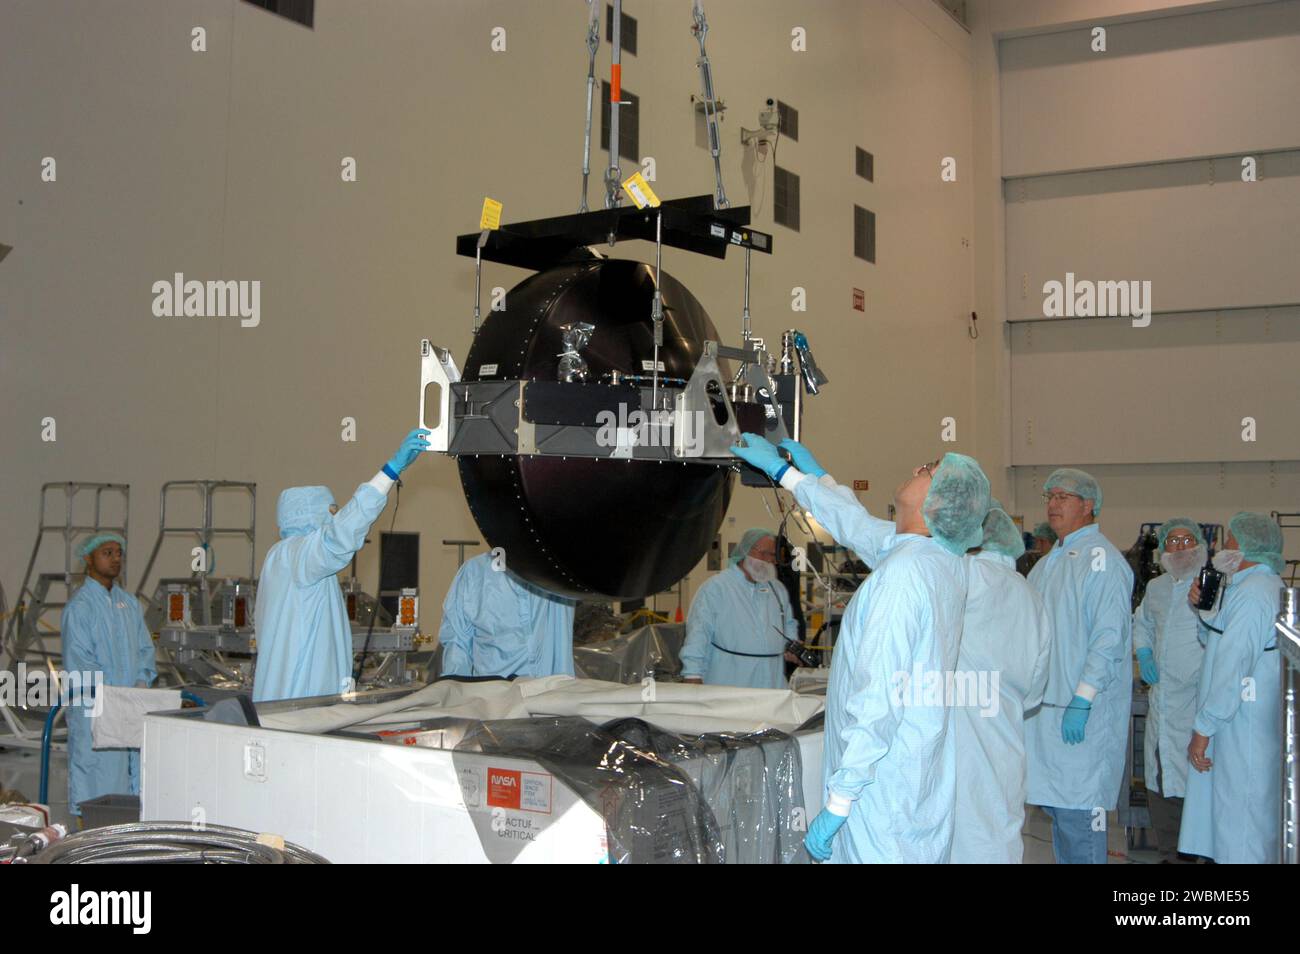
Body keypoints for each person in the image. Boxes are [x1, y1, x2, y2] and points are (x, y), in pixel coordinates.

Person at [731, 434, 990, 863]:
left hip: (879, 796)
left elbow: (878, 699)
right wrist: (807, 477)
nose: (916, 470)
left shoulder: (904, 575)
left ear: (939, 504)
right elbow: (857, 526)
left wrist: (840, 800)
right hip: (909, 781)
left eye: (928, 470)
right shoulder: (933, 558)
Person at [253, 428, 430, 702]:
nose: (335, 520)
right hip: (298, 712)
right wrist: (390, 472)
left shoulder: (284, 561)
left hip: (293, 707)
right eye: (332, 513)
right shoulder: (297, 556)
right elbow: (339, 537)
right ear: (313, 516)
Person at [1024, 468, 1133, 864]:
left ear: (1088, 506)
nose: (1053, 504)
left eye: (1063, 497)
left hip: (1082, 718)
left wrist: (1083, 698)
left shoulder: (1101, 561)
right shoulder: (1051, 561)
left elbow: (1109, 639)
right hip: (1048, 715)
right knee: (1061, 816)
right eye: (1049, 496)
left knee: (1082, 820)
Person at [1178, 512, 1284, 863]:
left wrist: (1204, 727)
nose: (1223, 549)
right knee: (1231, 820)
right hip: (1233, 723)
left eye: (1230, 541)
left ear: (1246, 547)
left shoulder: (1255, 594)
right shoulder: (1244, 589)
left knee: (1242, 828)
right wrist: (1203, 608)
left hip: (1241, 725)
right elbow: (1217, 644)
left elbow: (1232, 666)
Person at [952, 505, 1052, 863]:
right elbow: (1036, 688)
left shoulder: (956, 577)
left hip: (951, 733)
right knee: (998, 832)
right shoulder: (1030, 596)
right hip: (1005, 736)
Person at [60, 533, 157, 818]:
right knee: (98, 775)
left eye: (119, 553)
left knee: (131, 775)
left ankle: (126, 837)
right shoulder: (79, 608)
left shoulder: (129, 605)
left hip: (129, 706)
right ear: (88, 558)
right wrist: (111, 696)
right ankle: (91, 837)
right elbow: (80, 661)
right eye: (107, 552)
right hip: (95, 708)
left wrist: (140, 683)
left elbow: (144, 649)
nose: (115, 559)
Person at [1131, 517, 1206, 862]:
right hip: (1162, 699)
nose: (1179, 546)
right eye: (1172, 541)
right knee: (1160, 780)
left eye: (1186, 539)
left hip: (1196, 701)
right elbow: (1142, 623)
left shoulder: (1211, 585)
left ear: (1200, 545)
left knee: (1196, 784)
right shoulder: (1158, 588)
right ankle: (1168, 853)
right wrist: (1143, 652)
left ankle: (1196, 853)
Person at [679, 529, 800, 689]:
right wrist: (692, 675)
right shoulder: (717, 588)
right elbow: (698, 634)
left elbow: (788, 623)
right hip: (729, 683)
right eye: (763, 554)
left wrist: (791, 644)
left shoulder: (777, 590)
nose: (768, 561)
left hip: (772, 682)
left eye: (772, 555)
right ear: (745, 551)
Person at [437, 552, 576, 678]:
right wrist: (457, 695)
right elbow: (457, 647)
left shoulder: (559, 572)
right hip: (493, 697)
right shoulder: (474, 573)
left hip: (551, 695)